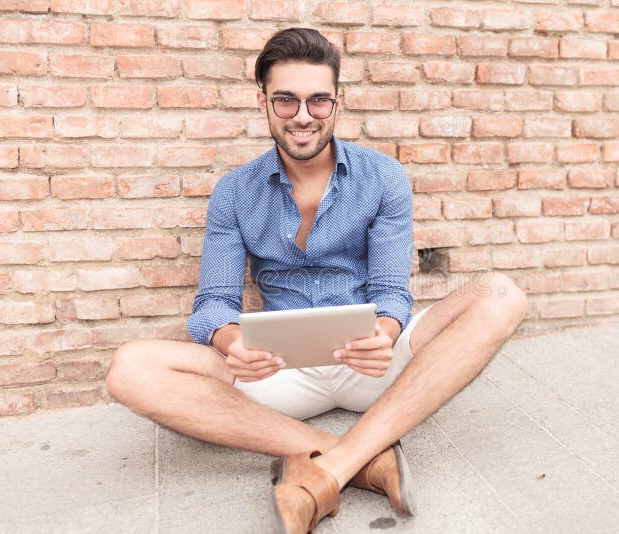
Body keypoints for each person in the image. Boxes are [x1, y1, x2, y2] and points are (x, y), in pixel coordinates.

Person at [105, 27, 527, 533]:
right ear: (262, 101)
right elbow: (213, 303)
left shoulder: (383, 176)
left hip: (374, 359)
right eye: (285, 101)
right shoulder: (234, 191)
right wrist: (231, 340)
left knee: (500, 294)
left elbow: (391, 292)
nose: (302, 116)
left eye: (317, 101)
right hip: (280, 369)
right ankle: (357, 457)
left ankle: (328, 468)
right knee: (130, 368)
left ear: (337, 102)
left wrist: (388, 332)